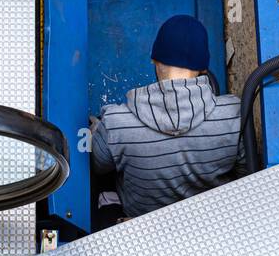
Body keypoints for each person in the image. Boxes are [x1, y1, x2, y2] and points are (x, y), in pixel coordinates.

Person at [89, 14, 244, 218]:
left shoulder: (116, 123)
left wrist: (95, 131)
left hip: (140, 225)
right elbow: (245, 175)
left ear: (154, 58)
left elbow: (99, 167)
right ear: (205, 68)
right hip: (210, 224)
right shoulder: (233, 115)